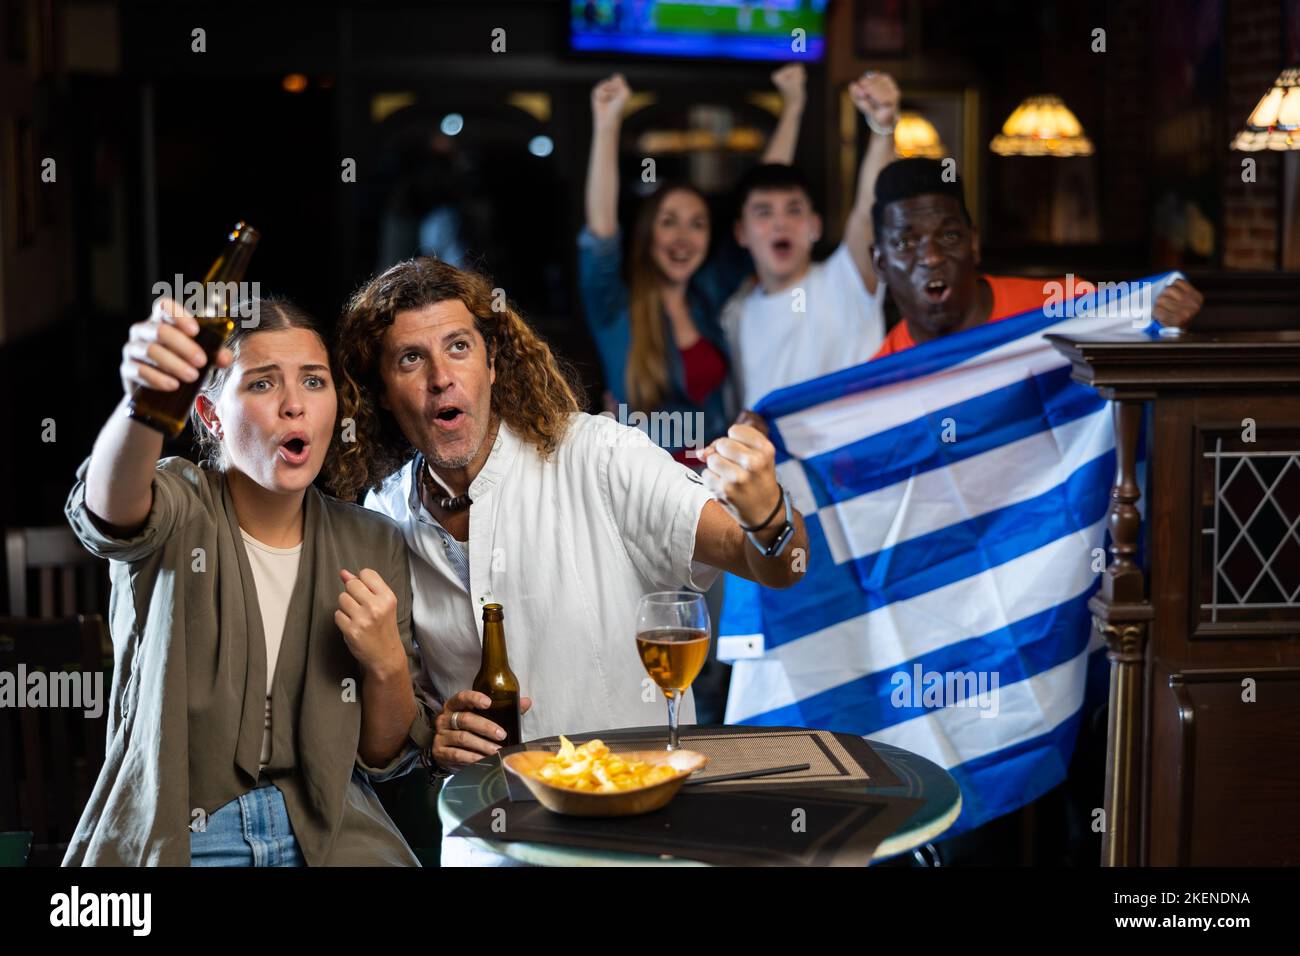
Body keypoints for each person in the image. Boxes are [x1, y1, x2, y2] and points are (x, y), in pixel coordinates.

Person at [332, 257, 807, 777]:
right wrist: (434, 741)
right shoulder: (384, 515)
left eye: (459, 347)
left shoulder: (599, 455)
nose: (441, 377)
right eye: (409, 360)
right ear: (380, 390)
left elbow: (777, 567)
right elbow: (395, 733)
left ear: (491, 362)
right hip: (488, 837)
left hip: (626, 828)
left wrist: (768, 516)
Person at [63, 296, 432, 866]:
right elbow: (108, 512)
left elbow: (380, 754)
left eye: (314, 381)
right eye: (262, 385)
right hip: (185, 837)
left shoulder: (373, 541)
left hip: (332, 835)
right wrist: (145, 404)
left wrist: (386, 664)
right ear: (211, 415)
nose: (294, 406)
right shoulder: (177, 506)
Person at [578, 65, 807, 463]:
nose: (683, 238)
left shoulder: (709, 295)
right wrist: (607, 122)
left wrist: (793, 106)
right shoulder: (614, 306)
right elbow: (600, 233)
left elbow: (760, 205)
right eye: (669, 223)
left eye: (697, 224)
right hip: (639, 497)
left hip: (713, 494)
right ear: (648, 235)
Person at [868, 157, 1205, 358]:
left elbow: (1139, 351)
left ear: (974, 243)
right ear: (880, 263)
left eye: (950, 235)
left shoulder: (1062, 306)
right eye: (906, 243)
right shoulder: (878, 384)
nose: (931, 257)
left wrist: (1170, 326)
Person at [721, 69, 898, 411]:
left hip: (851, 465)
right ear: (742, 233)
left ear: (814, 226)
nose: (780, 224)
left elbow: (868, 210)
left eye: (794, 210)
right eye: (763, 213)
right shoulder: (736, 313)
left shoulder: (844, 281)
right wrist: (793, 104)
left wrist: (883, 127)